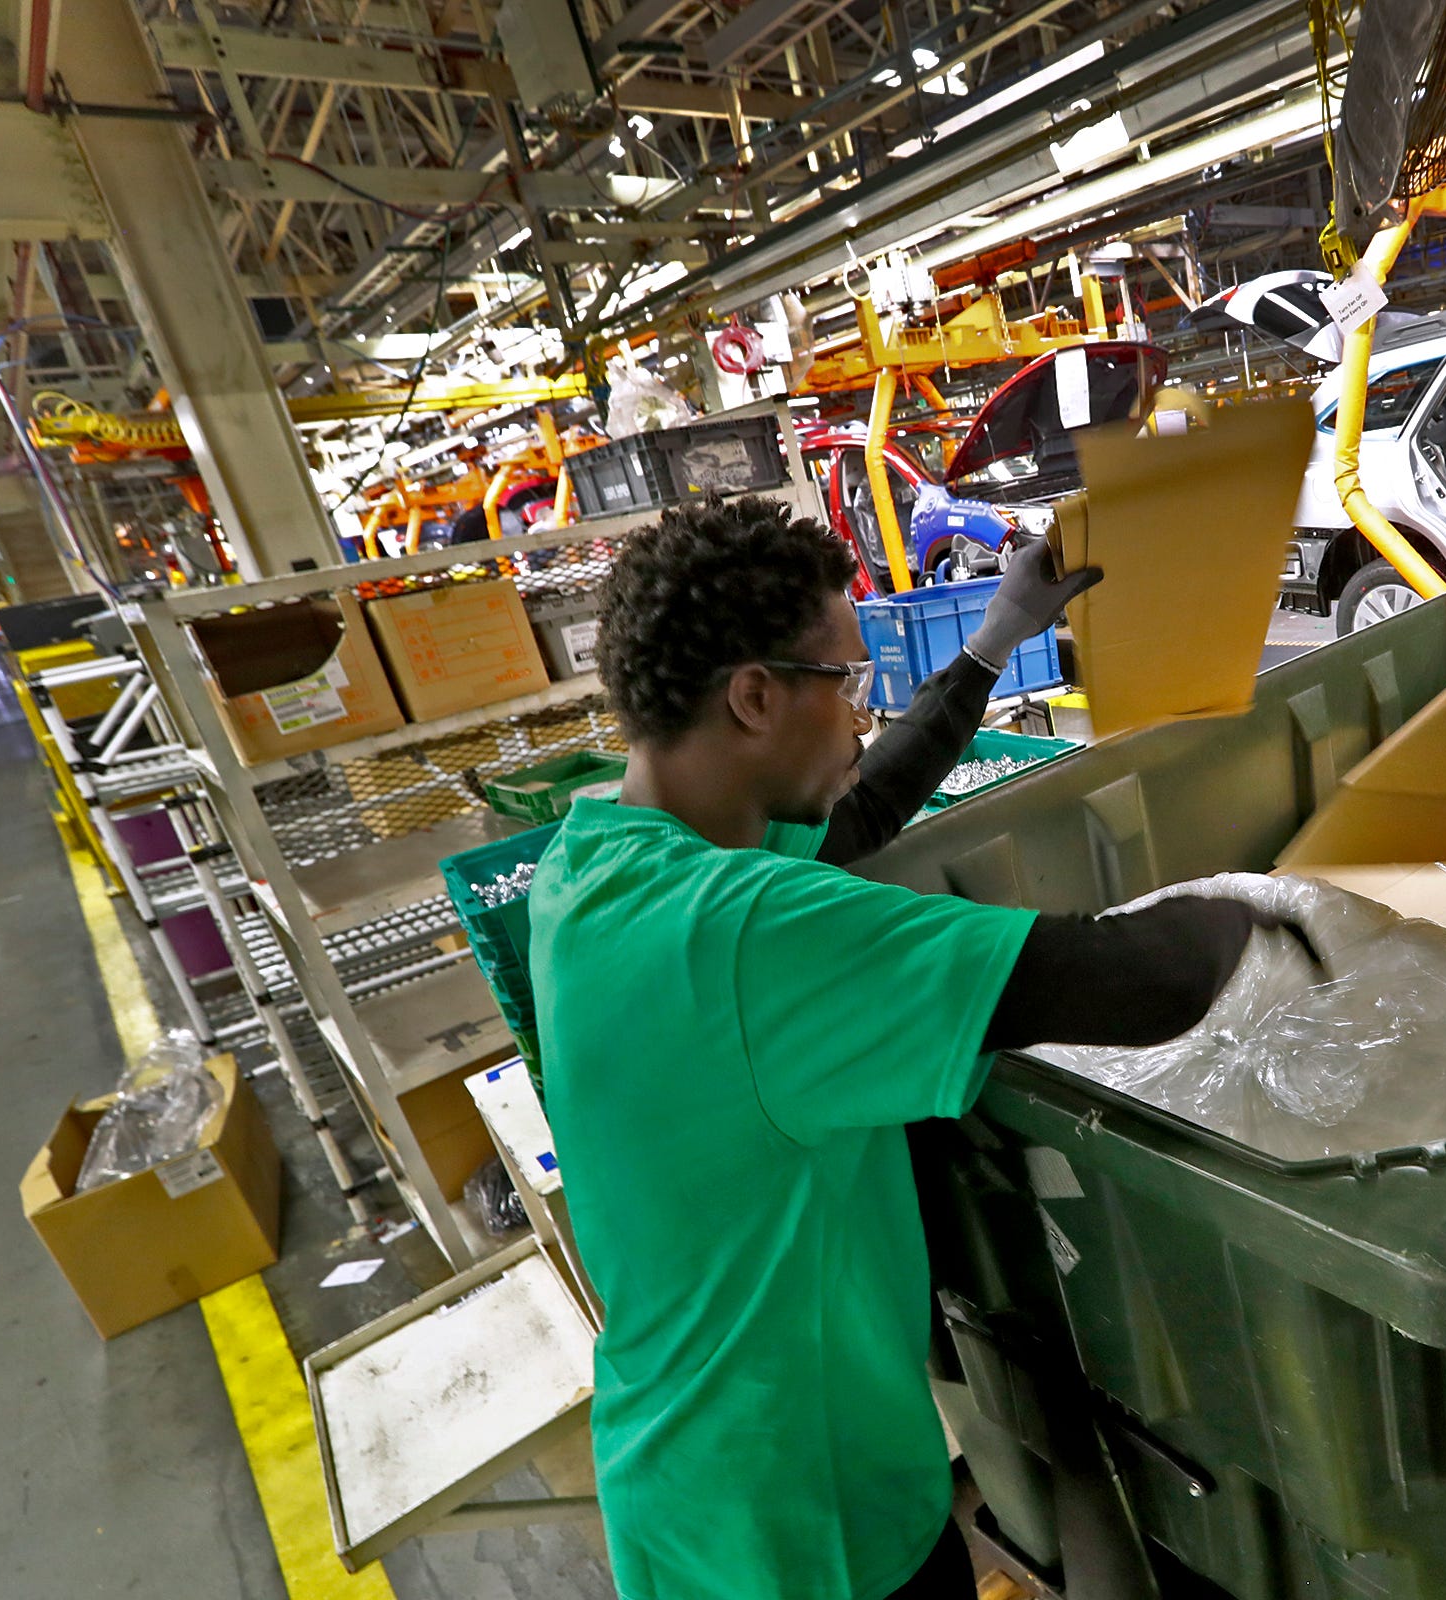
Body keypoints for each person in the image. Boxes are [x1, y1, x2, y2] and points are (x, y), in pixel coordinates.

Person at [530, 498, 1275, 1600]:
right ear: (754, 695)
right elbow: (1147, 979)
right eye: (850, 683)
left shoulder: (602, 864)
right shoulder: (743, 932)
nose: (862, 716)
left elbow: (860, 810)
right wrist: (1289, 900)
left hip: (698, 1491)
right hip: (808, 1534)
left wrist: (994, 641)